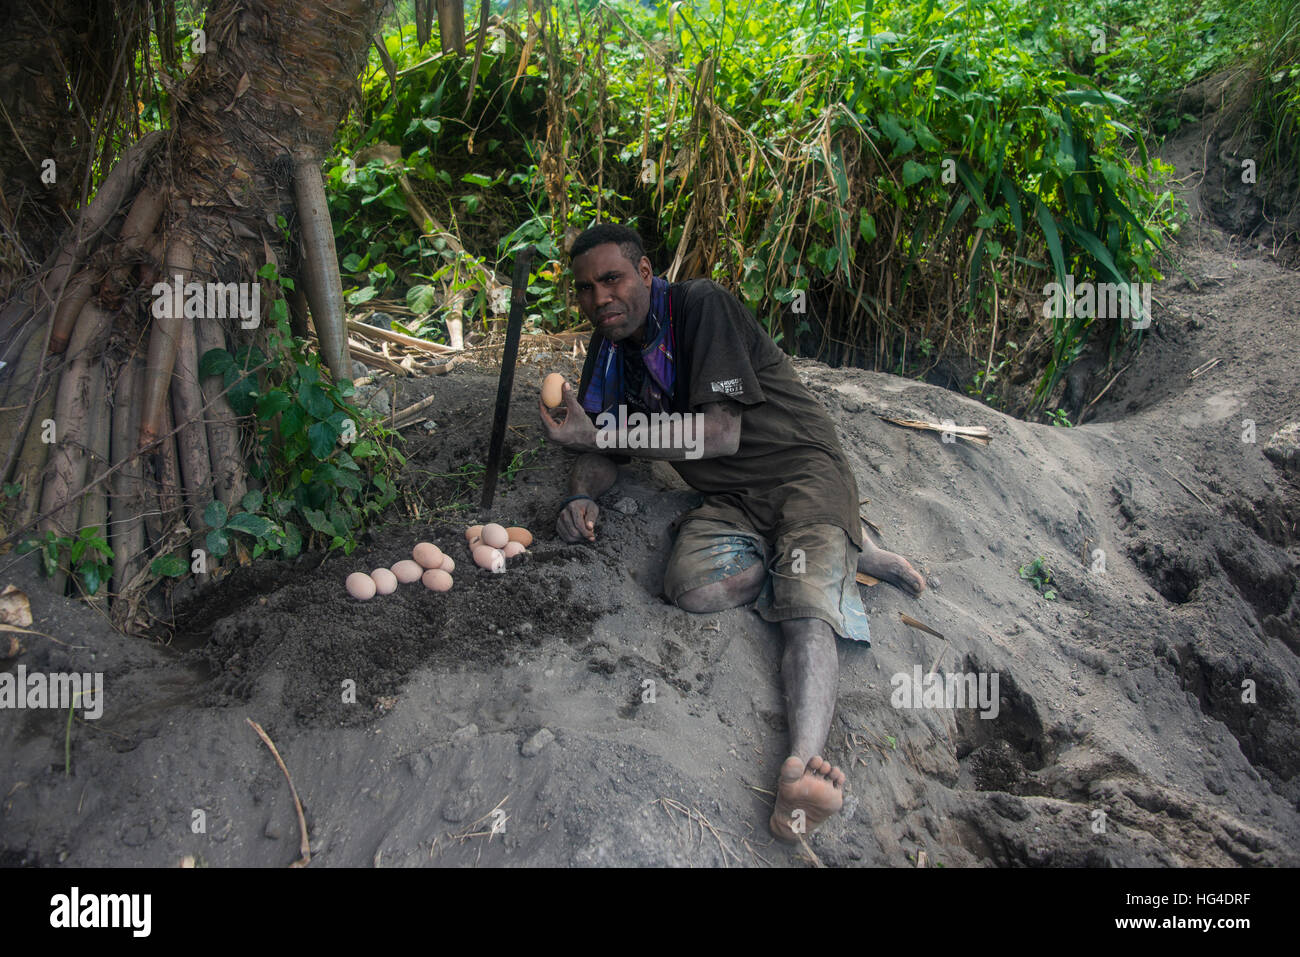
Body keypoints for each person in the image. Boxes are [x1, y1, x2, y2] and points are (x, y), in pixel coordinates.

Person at [539, 223, 926, 843]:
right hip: (730, 499)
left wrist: (598, 435)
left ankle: (798, 775)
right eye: (585, 289)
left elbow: (719, 435)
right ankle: (841, 552)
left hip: (802, 472)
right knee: (689, 588)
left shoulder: (700, 307)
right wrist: (583, 490)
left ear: (644, 272)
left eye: (611, 279)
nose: (599, 298)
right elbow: (602, 445)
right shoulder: (608, 350)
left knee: (805, 609)